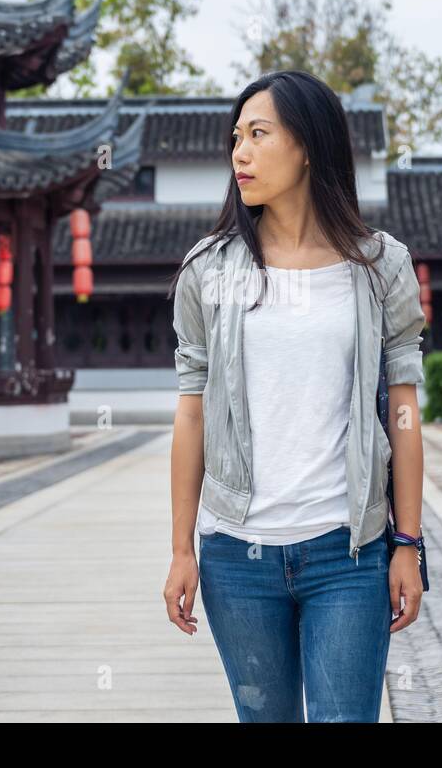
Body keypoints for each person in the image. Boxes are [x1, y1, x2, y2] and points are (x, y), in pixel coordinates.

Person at [162, 69, 427, 723]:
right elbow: (191, 411)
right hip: (236, 556)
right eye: (235, 138)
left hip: (348, 550)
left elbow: (404, 411)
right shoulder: (210, 270)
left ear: (306, 144)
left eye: (258, 134)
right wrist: (179, 549)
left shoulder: (379, 266)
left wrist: (409, 543)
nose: (240, 153)